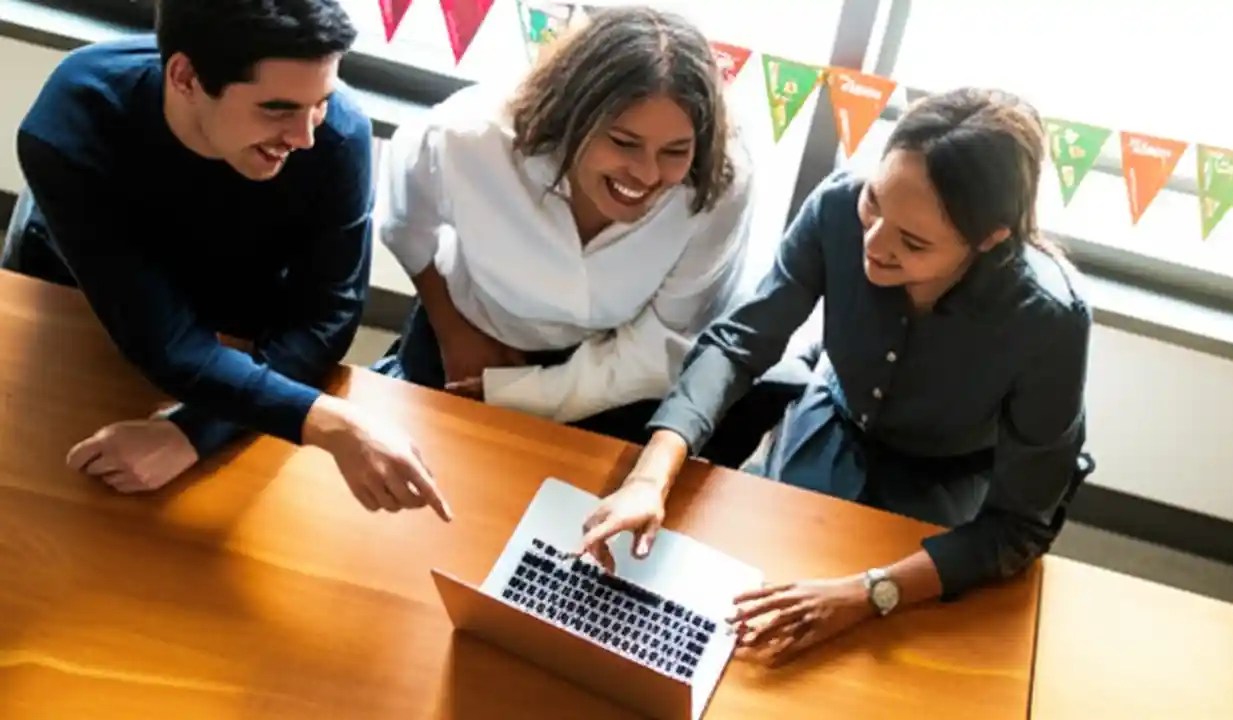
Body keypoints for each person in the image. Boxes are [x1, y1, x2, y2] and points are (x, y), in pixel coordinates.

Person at [578, 88, 1094, 663]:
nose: (873, 245)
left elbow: (1019, 525)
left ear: (990, 238)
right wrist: (649, 478)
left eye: (914, 242)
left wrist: (869, 593)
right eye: (874, 202)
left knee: (885, 662)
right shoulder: (837, 205)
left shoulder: (1049, 318)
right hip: (826, 431)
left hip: (948, 490)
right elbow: (741, 343)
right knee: (729, 610)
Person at [2, 0, 451, 519]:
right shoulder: (72, 123)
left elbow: (328, 315)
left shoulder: (337, 132)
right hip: (79, 293)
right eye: (277, 108)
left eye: (322, 101)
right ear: (186, 77)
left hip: (233, 312)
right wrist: (332, 423)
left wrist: (193, 431)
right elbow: (163, 340)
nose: (305, 137)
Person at [375, 6, 781, 460]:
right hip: (466, 338)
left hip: (611, 380)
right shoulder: (469, 138)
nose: (646, 174)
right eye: (623, 143)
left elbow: (661, 345)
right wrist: (450, 325)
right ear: (571, 114)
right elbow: (402, 224)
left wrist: (520, 392)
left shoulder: (721, 185)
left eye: (675, 150)